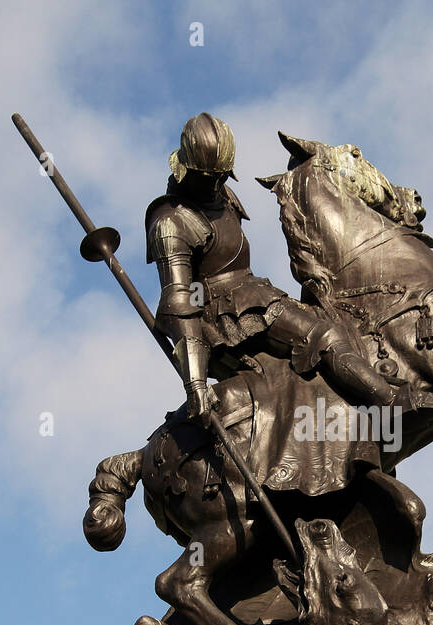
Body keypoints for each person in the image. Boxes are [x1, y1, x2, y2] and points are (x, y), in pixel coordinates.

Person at [147, 113, 403, 420]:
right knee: (323, 336)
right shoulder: (171, 222)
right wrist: (196, 384)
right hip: (225, 316)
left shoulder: (223, 195)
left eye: (221, 177)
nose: (216, 184)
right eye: (209, 178)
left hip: (254, 294)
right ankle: (392, 405)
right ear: (190, 170)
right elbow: (182, 303)